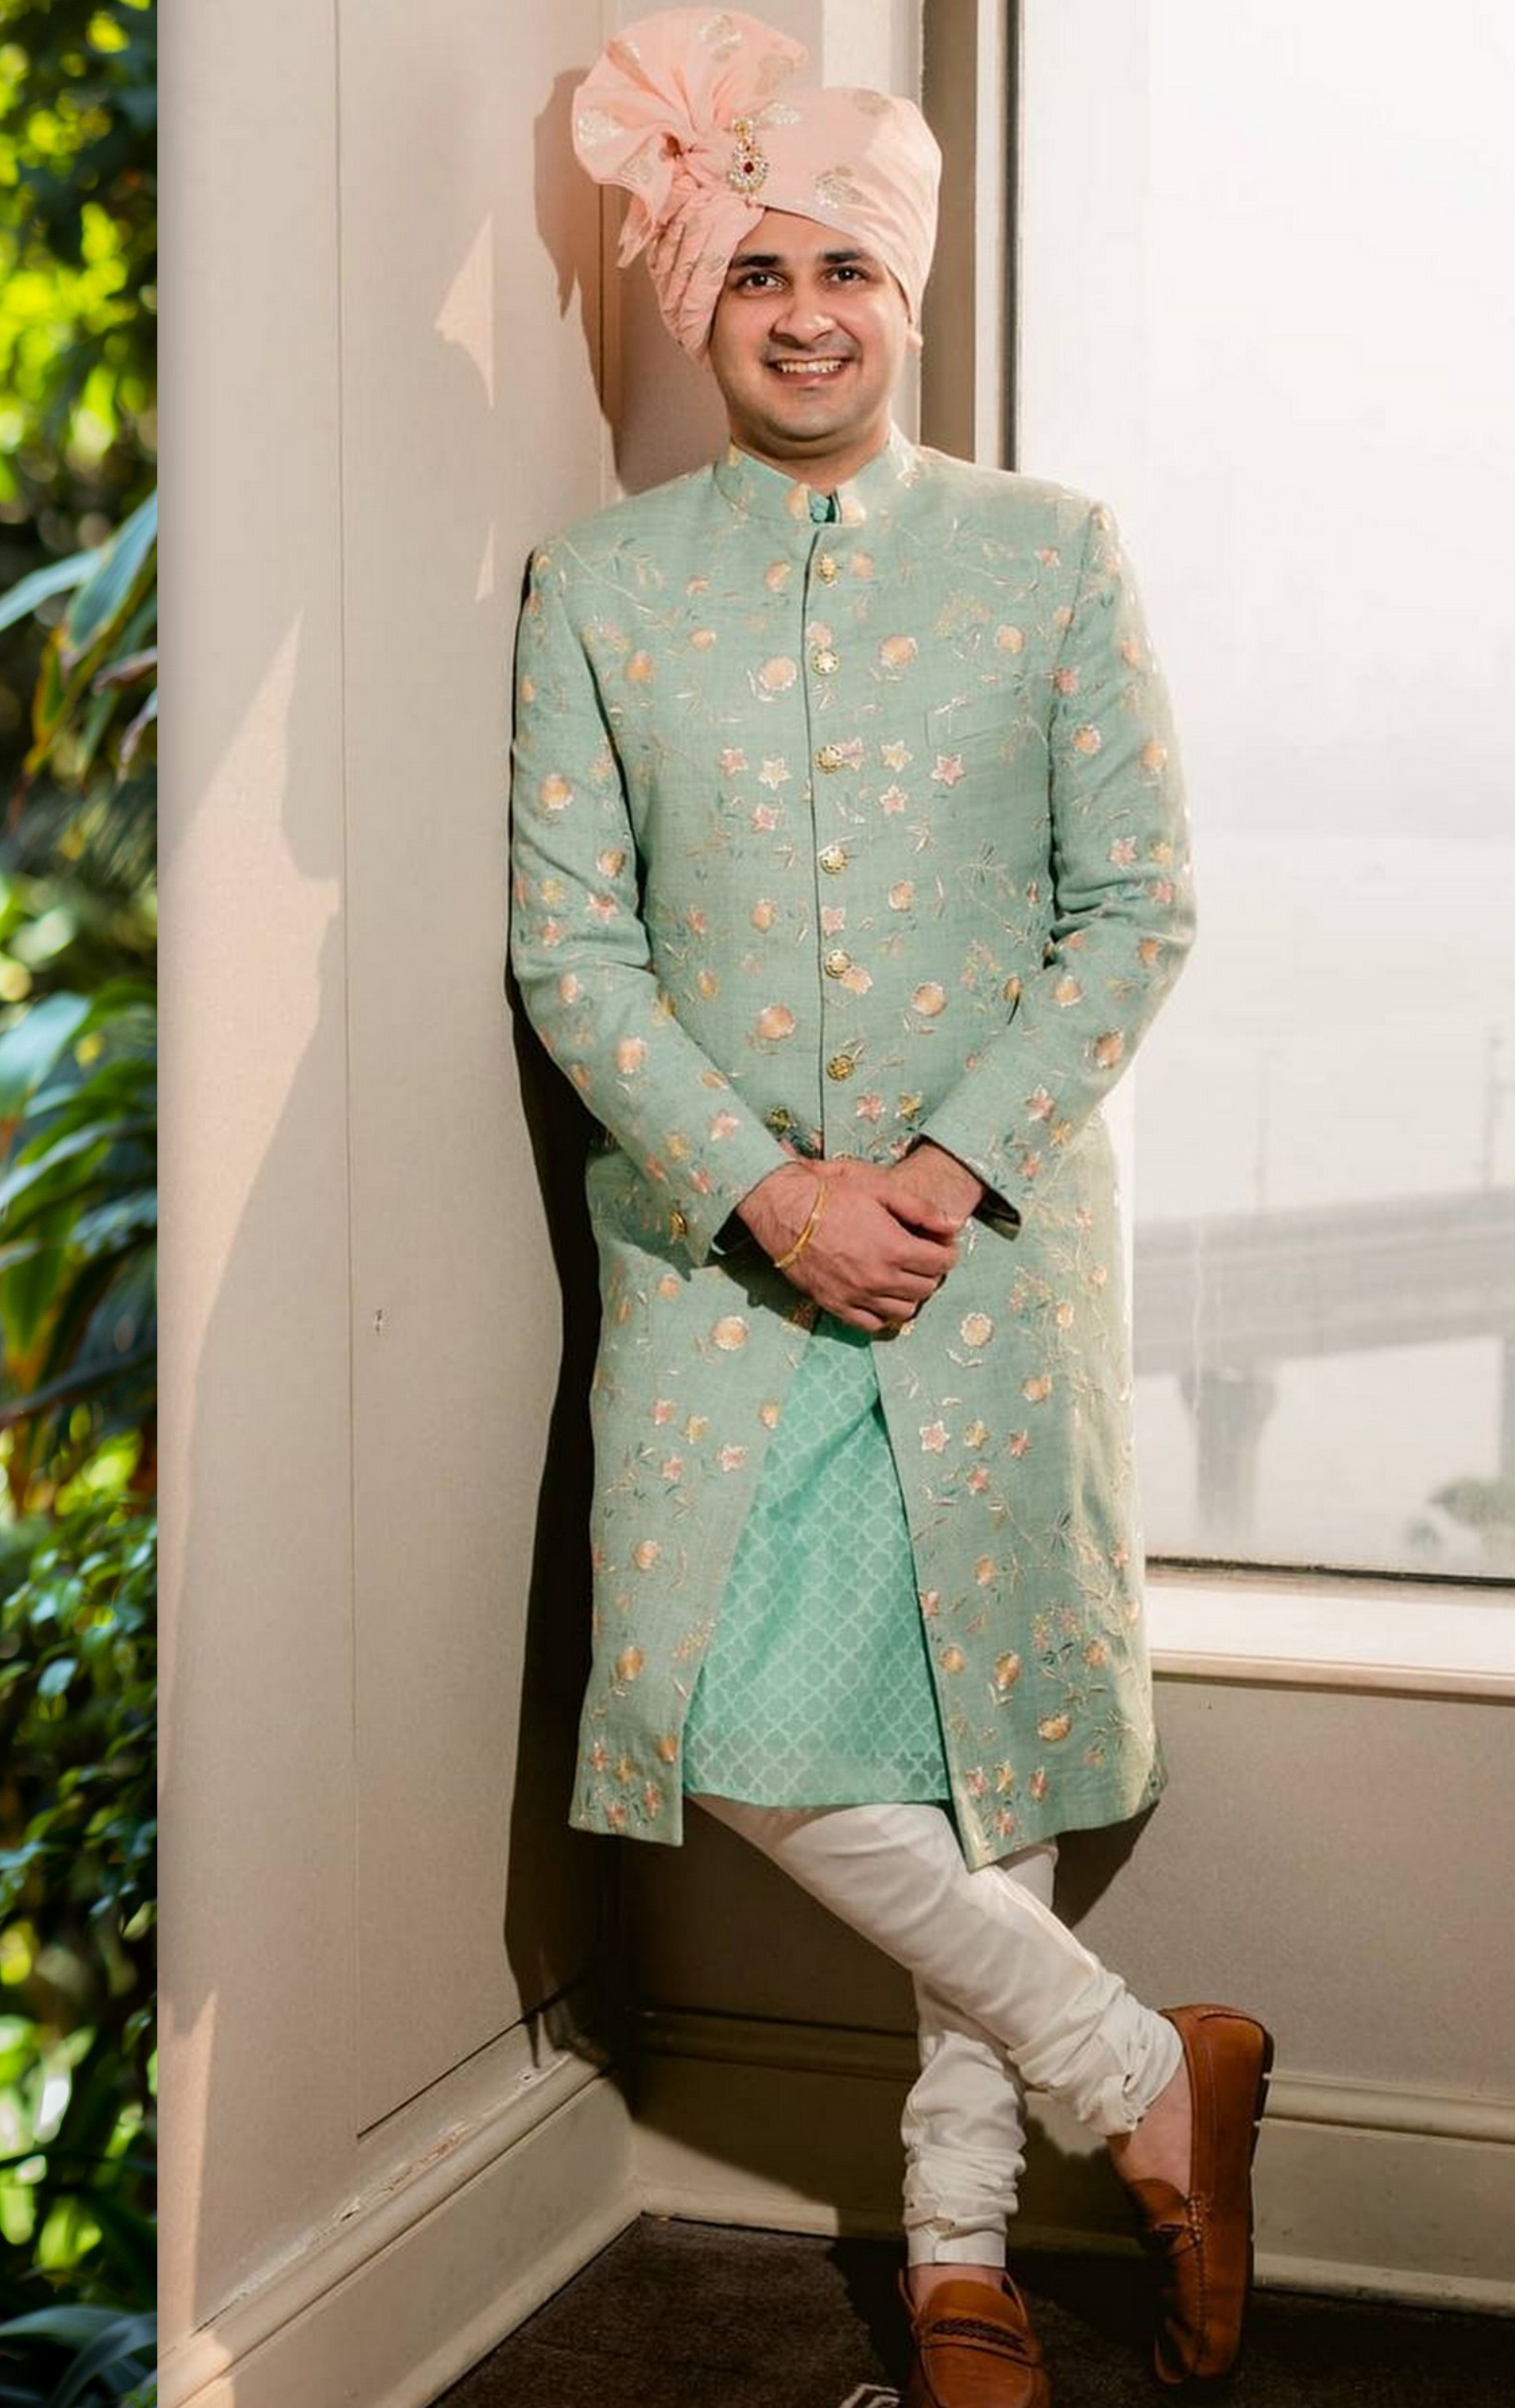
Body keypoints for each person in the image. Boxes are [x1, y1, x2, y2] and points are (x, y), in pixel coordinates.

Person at [520, 15, 1259, 2404]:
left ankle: (961, 2257)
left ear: (908, 289)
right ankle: (1145, 2066)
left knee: (981, 1730)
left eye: (845, 262)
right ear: (691, 303)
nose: (803, 309)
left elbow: (1132, 906)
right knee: (715, 1708)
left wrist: (935, 1173)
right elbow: (572, 945)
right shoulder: (599, 586)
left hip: (989, 1249)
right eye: (753, 270)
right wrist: (763, 1186)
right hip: (708, 1265)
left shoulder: (1051, 559)